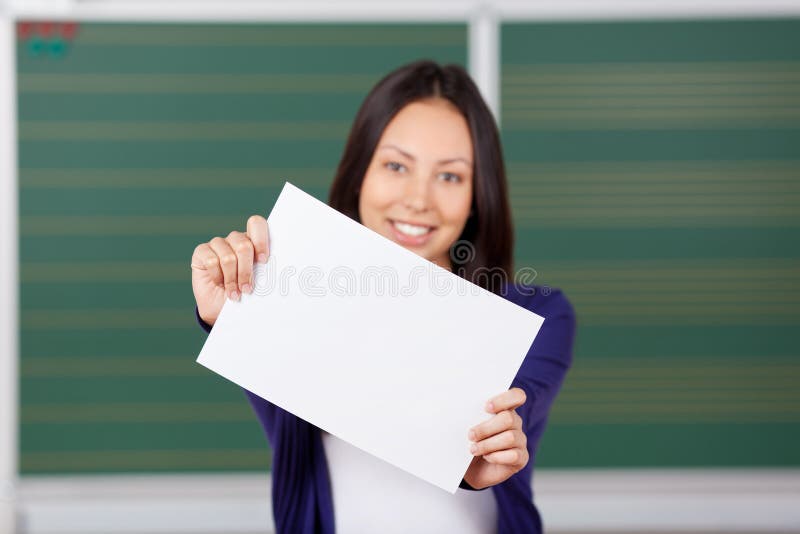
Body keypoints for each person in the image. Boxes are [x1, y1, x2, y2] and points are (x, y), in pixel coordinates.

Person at [190, 60, 575, 534]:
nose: (418, 199)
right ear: (360, 175)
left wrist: (484, 454)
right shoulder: (297, 297)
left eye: (450, 176)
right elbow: (264, 358)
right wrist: (232, 309)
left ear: (478, 194)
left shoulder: (538, 314)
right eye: (396, 166)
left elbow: (523, 407)